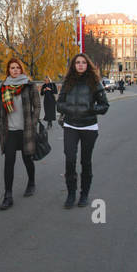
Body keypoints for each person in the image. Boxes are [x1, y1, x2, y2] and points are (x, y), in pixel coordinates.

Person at [0, 57, 48, 209]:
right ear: (8, 71)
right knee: (8, 162)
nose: (15, 70)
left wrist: (33, 121)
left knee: (27, 160)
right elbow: (2, 111)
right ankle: (8, 195)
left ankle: (31, 182)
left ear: (21, 69)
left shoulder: (29, 86)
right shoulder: (4, 87)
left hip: (25, 130)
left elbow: (37, 106)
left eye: (17, 68)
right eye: (12, 68)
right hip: (10, 131)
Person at [57, 53, 107, 209]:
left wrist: (91, 109)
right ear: (73, 65)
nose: (80, 65)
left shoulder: (95, 82)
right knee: (70, 160)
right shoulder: (67, 83)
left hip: (89, 127)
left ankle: (84, 194)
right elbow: (59, 104)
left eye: (83, 62)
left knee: (86, 161)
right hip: (71, 126)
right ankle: (71, 194)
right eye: (77, 62)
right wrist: (71, 110)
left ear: (87, 65)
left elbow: (104, 106)